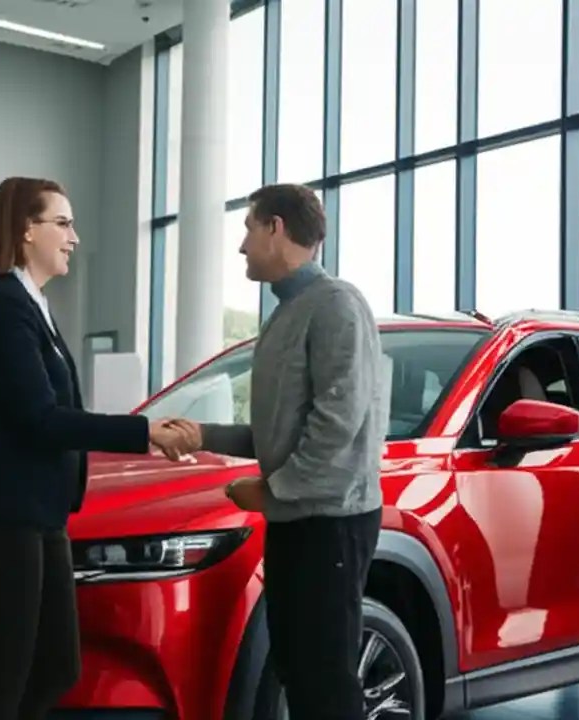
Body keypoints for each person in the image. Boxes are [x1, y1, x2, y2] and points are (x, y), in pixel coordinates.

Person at [0, 176, 190, 720]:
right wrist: (144, 432)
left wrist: (141, 428)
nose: (74, 237)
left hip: (39, 514)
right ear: (26, 230)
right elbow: (39, 418)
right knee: (3, 679)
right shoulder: (4, 305)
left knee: (56, 665)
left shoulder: (32, 305)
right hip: (1, 518)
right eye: (63, 222)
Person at [165, 183, 389, 720]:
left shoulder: (336, 305)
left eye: (248, 228)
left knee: (326, 682)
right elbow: (277, 432)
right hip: (296, 521)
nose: (242, 246)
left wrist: (271, 490)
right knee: (297, 669)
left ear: (276, 228)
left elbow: (337, 420)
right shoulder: (286, 314)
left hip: (329, 522)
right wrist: (203, 436)